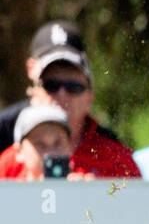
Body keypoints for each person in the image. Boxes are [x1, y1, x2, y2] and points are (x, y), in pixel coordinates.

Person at [0, 21, 139, 180]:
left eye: (74, 87)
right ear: (34, 90)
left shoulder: (117, 160)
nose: (62, 95)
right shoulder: (8, 163)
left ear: (90, 97)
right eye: (51, 85)